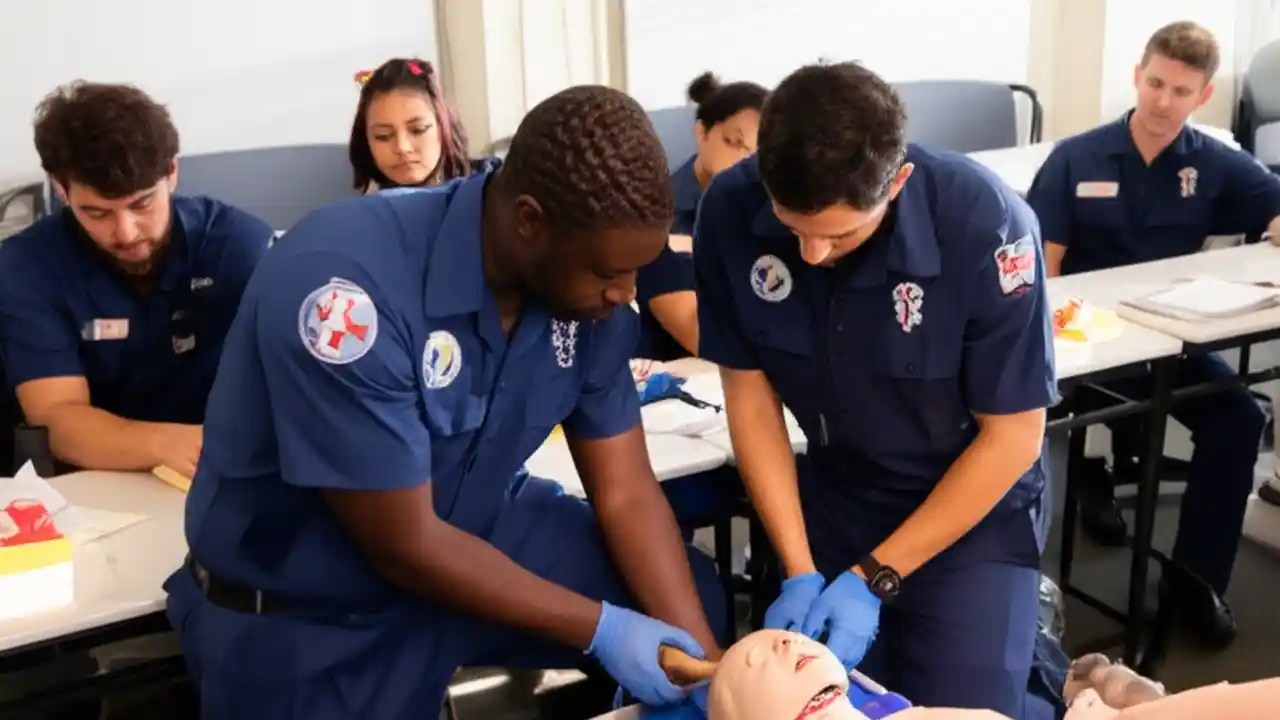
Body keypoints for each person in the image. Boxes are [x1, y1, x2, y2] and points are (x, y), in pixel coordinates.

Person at [165, 84, 727, 718]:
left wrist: (704, 672)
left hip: (471, 526)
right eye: (605, 273)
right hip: (312, 607)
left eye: (635, 272)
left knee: (686, 600)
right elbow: (404, 546)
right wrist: (604, 631)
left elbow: (624, 489)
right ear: (530, 222)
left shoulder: (585, 294)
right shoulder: (343, 292)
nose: (622, 294)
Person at [694, 62, 1055, 716]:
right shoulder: (730, 208)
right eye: (792, 225)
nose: (809, 254)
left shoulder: (986, 226)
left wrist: (875, 577)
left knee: (966, 707)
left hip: (971, 516)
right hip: (839, 500)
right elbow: (750, 400)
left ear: (899, 182)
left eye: (837, 234)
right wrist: (799, 565)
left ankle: (1049, 672)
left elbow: (1013, 437)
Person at [1026, 20, 1280, 646]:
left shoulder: (1214, 163)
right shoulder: (1075, 158)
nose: (1165, 102)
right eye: (1157, 84)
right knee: (1031, 431)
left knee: (1239, 418)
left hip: (1169, 336)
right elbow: (1042, 270)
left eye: (1182, 91)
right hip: (1083, 345)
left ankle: (1196, 580)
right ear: (1138, 76)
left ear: (1204, 95)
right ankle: (1023, 595)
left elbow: (1273, 202)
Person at [0, 82, 273, 478]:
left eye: (142, 203)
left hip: (221, 472)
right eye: (97, 213)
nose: (126, 233)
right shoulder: (28, 266)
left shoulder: (239, 246)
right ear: (61, 190)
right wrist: (165, 443)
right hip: (90, 482)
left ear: (172, 172)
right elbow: (56, 418)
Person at [635, 72, 766, 361]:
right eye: (734, 142)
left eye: (760, 155)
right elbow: (702, 337)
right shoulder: (660, 216)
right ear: (702, 132)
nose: (746, 161)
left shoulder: (771, 215)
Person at [349, 57, 481, 194]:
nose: (402, 147)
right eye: (383, 136)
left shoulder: (485, 195)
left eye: (418, 130)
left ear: (443, 126)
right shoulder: (364, 209)